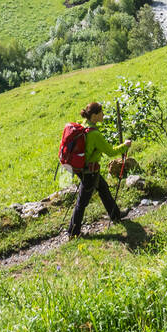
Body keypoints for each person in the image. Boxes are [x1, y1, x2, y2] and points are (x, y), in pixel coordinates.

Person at [67, 101, 130, 237]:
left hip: (83, 169)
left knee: (103, 189)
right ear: (94, 115)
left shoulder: (83, 125)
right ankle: (73, 232)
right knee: (82, 202)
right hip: (89, 172)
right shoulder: (94, 134)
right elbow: (110, 152)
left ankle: (116, 215)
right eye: (101, 112)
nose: (103, 114)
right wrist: (125, 145)